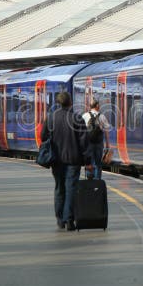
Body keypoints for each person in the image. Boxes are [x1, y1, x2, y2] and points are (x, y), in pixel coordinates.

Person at [41, 91, 87, 231]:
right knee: (71, 189)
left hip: (56, 160)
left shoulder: (51, 118)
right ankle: (69, 220)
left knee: (59, 188)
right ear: (70, 103)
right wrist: (88, 160)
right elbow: (84, 142)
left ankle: (60, 219)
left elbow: (43, 137)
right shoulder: (77, 118)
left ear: (58, 103)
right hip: (73, 160)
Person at [82, 98, 110, 179]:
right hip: (98, 143)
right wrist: (107, 144)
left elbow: (81, 131)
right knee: (98, 163)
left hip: (88, 143)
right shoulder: (102, 116)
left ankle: (89, 178)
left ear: (90, 106)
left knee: (89, 162)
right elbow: (106, 130)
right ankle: (97, 180)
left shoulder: (85, 116)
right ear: (97, 106)